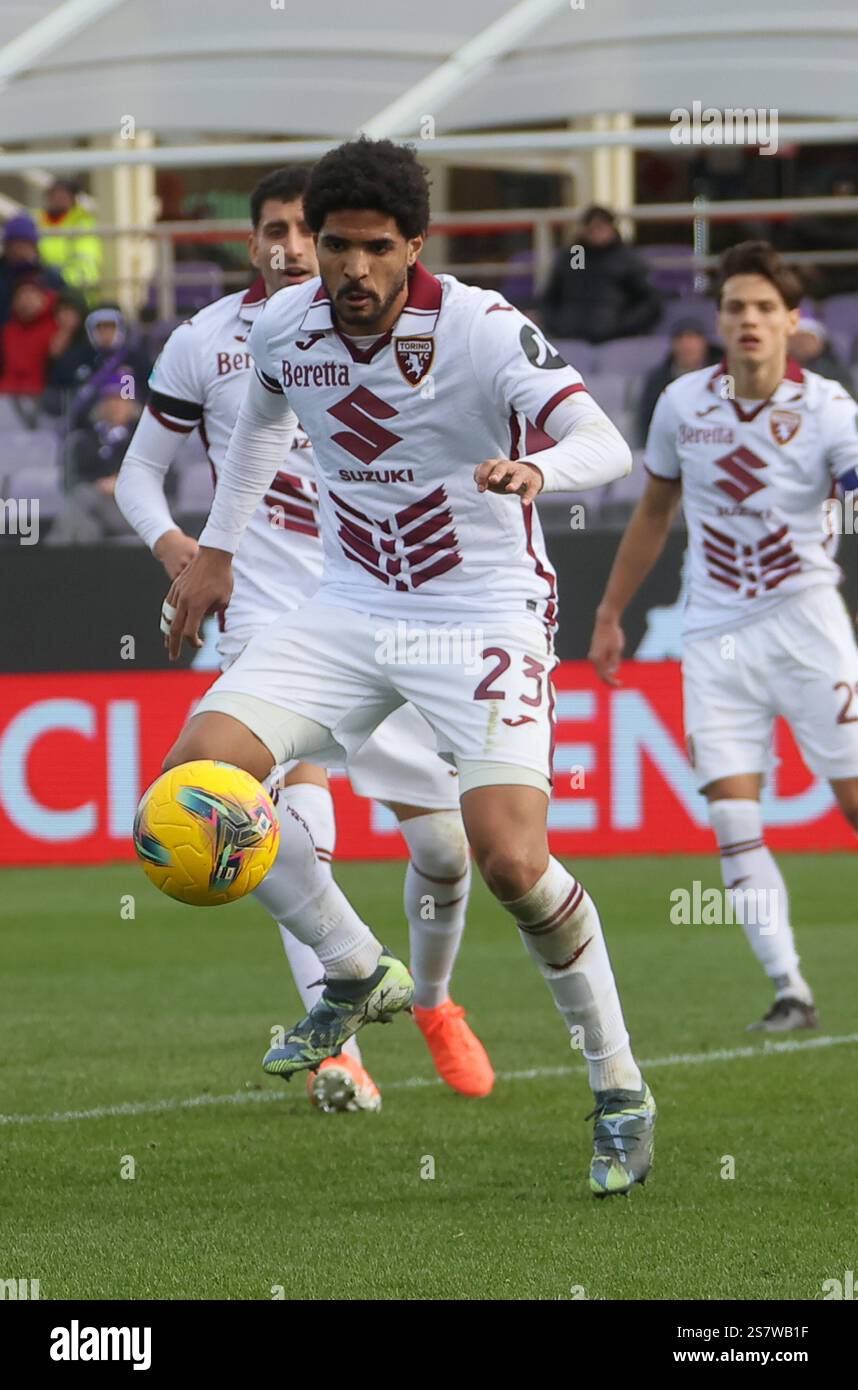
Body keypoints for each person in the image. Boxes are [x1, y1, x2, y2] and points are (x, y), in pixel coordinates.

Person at [160, 138, 654, 1196]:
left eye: (374, 250)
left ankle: (617, 1087)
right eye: (332, 246)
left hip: (482, 612)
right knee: (193, 787)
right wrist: (217, 550)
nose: (349, 270)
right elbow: (256, 431)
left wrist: (538, 466)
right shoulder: (290, 326)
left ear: (414, 247)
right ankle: (350, 966)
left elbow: (605, 441)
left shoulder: (479, 328)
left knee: (511, 864)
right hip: (349, 606)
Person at [116, 165, 494, 1116]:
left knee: (448, 852)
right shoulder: (207, 344)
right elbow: (138, 476)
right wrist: (191, 557)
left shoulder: (385, 333)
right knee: (268, 816)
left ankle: (437, 1003)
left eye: (304, 229)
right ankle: (343, 1041)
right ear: (253, 243)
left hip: (395, 611)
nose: (290, 246)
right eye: (273, 230)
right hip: (277, 624)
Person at [589, 240, 858, 1032]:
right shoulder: (681, 404)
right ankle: (790, 989)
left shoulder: (830, 410)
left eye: (764, 308)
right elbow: (653, 511)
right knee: (734, 817)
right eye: (736, 306)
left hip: (807, 623)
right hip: (713, 634)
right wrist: (609, 613)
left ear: (791, 322)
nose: (749, 319)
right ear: (719, 319)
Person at [542, 205, 662, 344]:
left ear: (612, 228)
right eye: (591, 227)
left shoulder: (627, 258)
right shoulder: (573, 256)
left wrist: (622, 326)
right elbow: (550, 298)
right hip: (570, 339)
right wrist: (559, 325)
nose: (596, 232)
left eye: (601, 227)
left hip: (617, 341)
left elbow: (650, 302)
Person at [46, 377, 141, 544]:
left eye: (122, 400)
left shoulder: (147, 440)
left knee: (80, 501)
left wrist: (123, 484)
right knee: (86, 525)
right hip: (93, 506)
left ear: (133, 405)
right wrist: (98, 486)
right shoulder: (84, 441)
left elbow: (167, 482)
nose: (116, 406)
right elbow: (70, 482)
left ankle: (48, 558)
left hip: (135, 511)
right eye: (110, 399)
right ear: (101, 404)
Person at [636, 318, 721, 444]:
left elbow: (731, 414)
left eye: (692, 337)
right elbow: (649, 421)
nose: (686, 345)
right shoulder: (657, 380)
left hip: (717, 442)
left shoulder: (725, 375)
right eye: (680, 338)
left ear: (704, 343)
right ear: (673, 345)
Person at [36, 180, 102, 297]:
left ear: (73, 198)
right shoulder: (36, 220)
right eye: (54, 194)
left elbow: (85, 262)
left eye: (64, 194)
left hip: (71, 288)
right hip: (42, 284)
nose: (59, 199)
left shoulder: (83, 223)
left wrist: (64, 278)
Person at [0, 278, 60, 396]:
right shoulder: (7, 331)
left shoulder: (56, 328)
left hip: (43, 396)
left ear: (43, 298)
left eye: (31, 295)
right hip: (6, 394)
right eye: (21, 296)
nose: (25, 301)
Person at [0, 214, 65, 324]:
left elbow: (65, 307)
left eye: (24, 243)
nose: (18, 249)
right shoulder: (3, 274)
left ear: (34, 245)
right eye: (14, 244)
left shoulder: (50, 276)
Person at [787, 316, 854, 396]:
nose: (802, 344)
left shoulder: (835, 369)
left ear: (820, 344)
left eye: (808, 340)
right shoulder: (779, 367)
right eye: (797, 339)